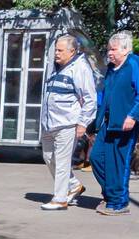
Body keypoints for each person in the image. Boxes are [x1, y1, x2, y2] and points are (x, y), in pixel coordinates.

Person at [90, 31, 139, 215]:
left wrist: (133, 116)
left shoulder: (135, 64)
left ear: (125, 50)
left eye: (113, 49)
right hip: (108, 123)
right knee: (96, 157)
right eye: (108, 49)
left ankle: (118, 202)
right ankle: (111, 194)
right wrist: (95, 121)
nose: (109, 52)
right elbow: (103, 95)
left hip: (125, 123)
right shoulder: (111, 69)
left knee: (118, 163)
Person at [39, 34, 98, 210]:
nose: (56, 53)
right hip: (49, 123)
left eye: (60, 50)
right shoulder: (55, 67)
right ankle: (73, 186)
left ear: (72, 51)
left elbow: (90, 98)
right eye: (55, 49)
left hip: (67, 123)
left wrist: (82, 123)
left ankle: (60, 199)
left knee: (62, 162)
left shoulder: (80, 68)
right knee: (49, 158)